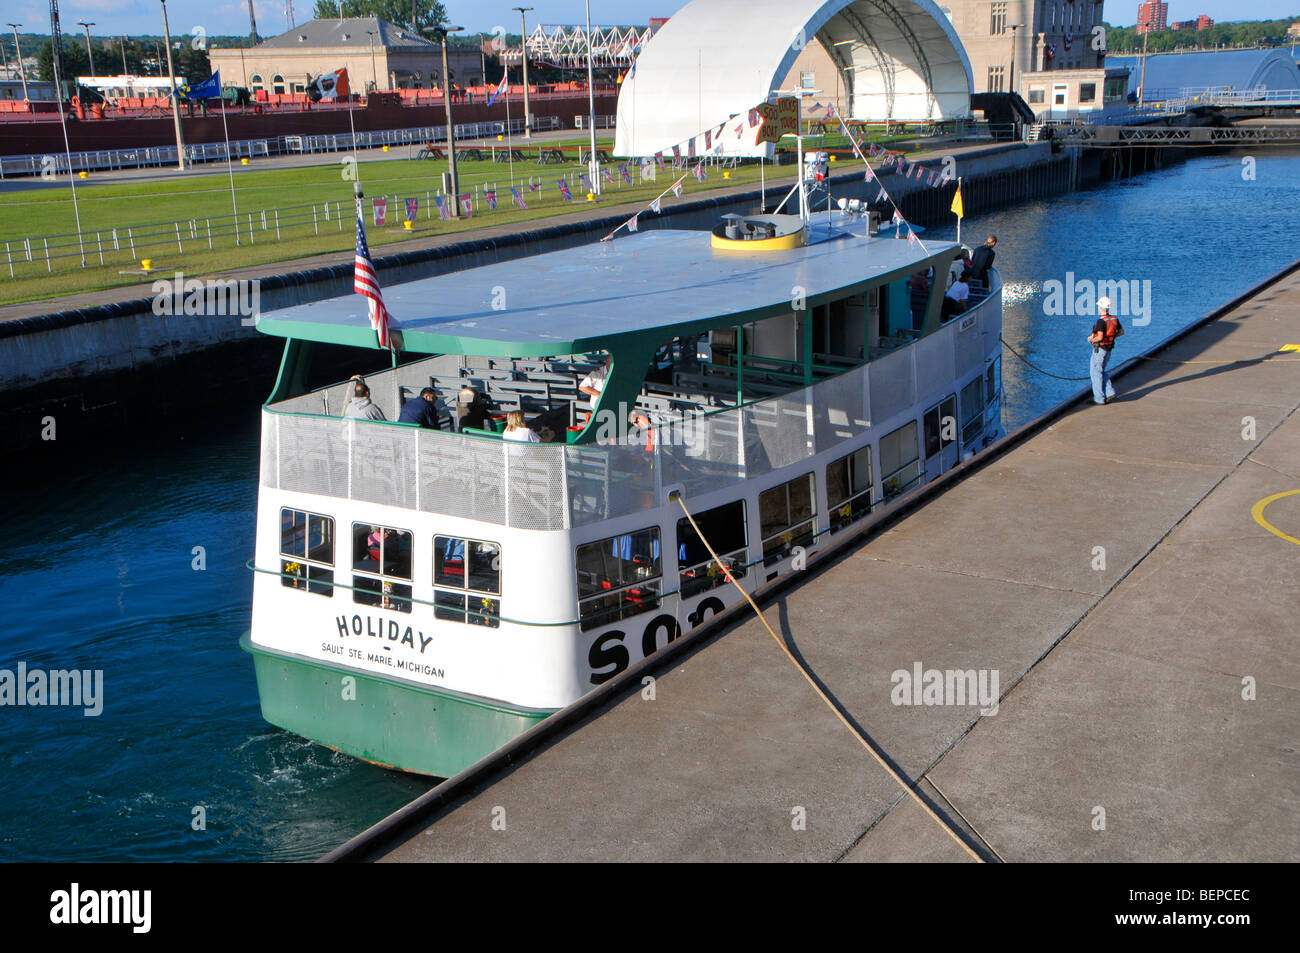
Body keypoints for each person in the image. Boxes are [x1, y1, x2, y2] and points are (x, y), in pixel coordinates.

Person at [1088, 296, 1124, 405]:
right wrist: (1112, 337)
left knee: (1095, 373)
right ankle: (1110, 392)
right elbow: (1121, 332)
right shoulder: (1114, 319)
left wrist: (1091, 339)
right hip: (1109, 350)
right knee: (1101, 371)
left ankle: (1099, 399)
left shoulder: (1101, 321)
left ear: (1101, 307)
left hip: (1100, 350)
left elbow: (1099, 337)